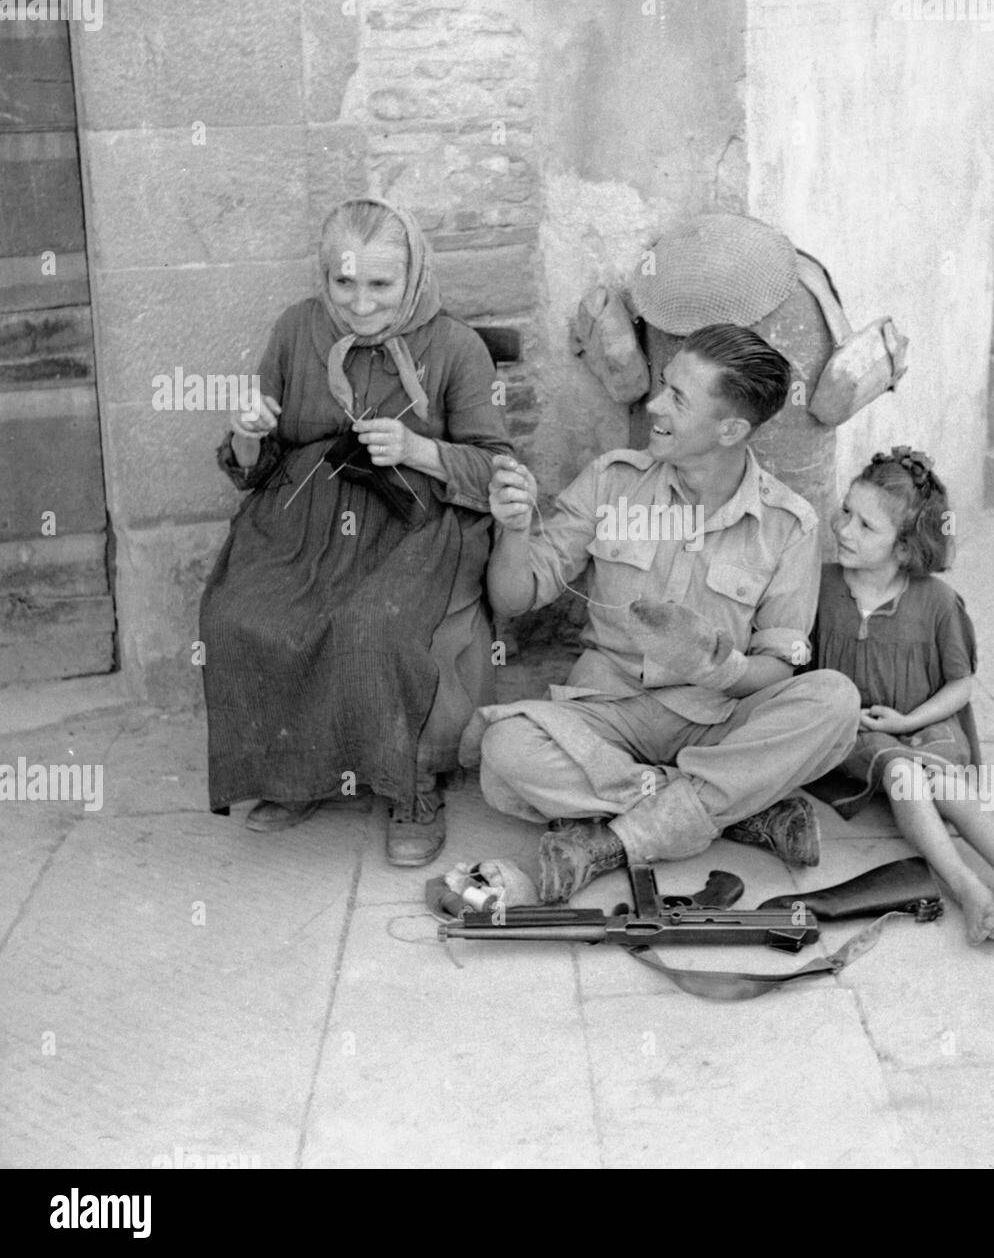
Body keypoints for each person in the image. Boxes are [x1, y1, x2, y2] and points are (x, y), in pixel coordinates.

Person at [465, 323, 862, 903]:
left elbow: (780, 667)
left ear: (731, 429)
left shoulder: (789, 526)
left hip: (717, 716)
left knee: (835, 703)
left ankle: (613, 842)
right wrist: (515, 529)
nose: (653, 404)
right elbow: (513, 597)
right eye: (663, 386)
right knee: (505, 754)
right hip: (609, 710)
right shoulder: (612, 482)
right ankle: (737, 810)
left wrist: (715, 663)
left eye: (677, 398)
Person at [200, 197, 513, 865]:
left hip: (416, 521)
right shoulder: (296, 330)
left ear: (412, 275)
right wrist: (247, 435)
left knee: (377, 623)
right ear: (324, 275)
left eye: (380, 284)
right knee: (237, 612)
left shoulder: (455, 347)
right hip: (303, 520)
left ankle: (413, 785)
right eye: (345, 283)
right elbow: (254, 469)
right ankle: (295, 772)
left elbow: (497, 470)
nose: (360, 304)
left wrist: (415, 448)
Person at [814, 446, 994, 942]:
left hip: (924, 720)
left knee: (935, 773)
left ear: (904, 548)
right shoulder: (821, 588)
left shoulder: (937, 602)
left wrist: (908, 721)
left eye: (866, 526)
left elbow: (961, 684)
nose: (844, 529)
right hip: (858, 729)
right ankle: (965, 887)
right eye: (846, 512)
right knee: (902, 771)